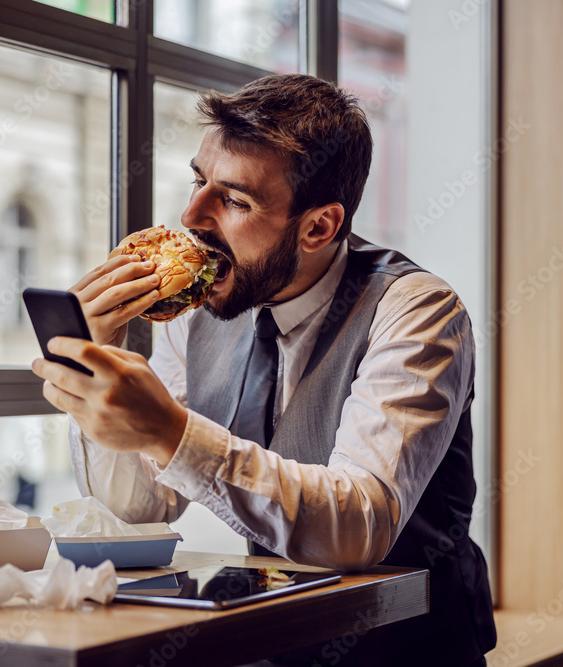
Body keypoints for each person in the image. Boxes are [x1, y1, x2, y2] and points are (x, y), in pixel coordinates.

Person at [31, 73, 496, 666]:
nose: (191, 216)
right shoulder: (195, 312)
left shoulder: (417, 309)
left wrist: (168, 430)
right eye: (198, 181)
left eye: (234, 199)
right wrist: (96, 371)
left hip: (413, 644)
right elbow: (139, 510)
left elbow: (360, 526)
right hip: (277, 637)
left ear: (320, 226)